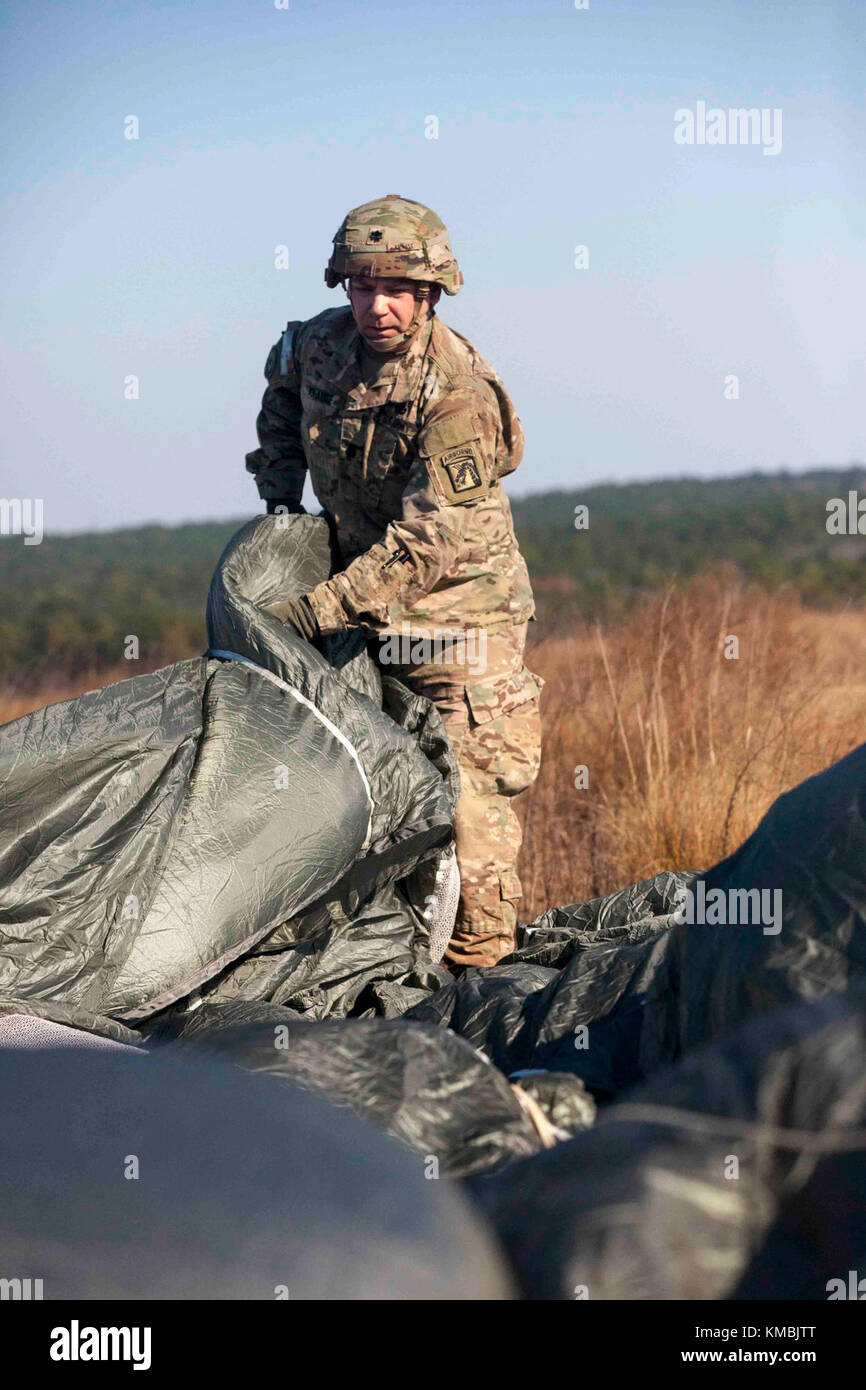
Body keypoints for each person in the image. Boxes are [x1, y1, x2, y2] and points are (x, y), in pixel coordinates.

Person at [245, 194, 543, 968]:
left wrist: (320, 606)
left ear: (430, 293)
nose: (376, 306)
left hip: (459, 621)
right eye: (361, 286)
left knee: (469, 808)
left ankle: (482, 988)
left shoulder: (458, 391)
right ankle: (386, 968)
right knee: (362, 799)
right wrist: (280, 503)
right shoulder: (316, 348)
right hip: (361, 613)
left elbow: (430, 537)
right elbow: (280, 406)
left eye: (396, 290)